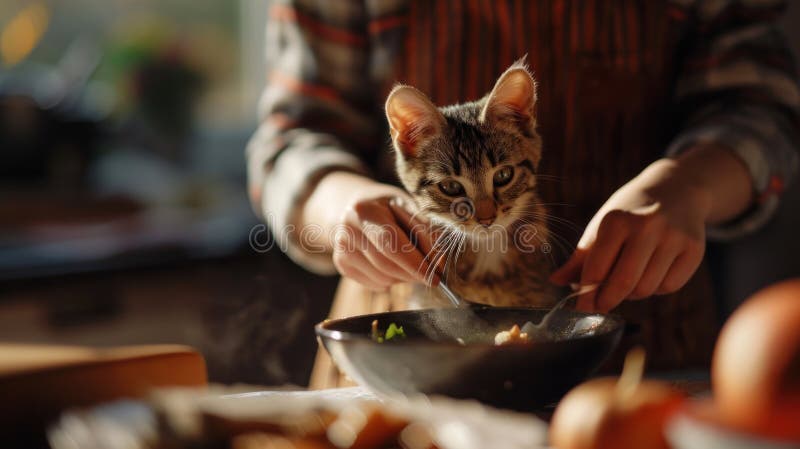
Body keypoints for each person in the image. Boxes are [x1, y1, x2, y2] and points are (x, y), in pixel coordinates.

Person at [247, 0, 799, 384]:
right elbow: (292, 138)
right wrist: (339, 205)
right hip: (402, 330)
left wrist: (689, 184)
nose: (486, 214)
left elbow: (761, 108)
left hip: (641, 336)